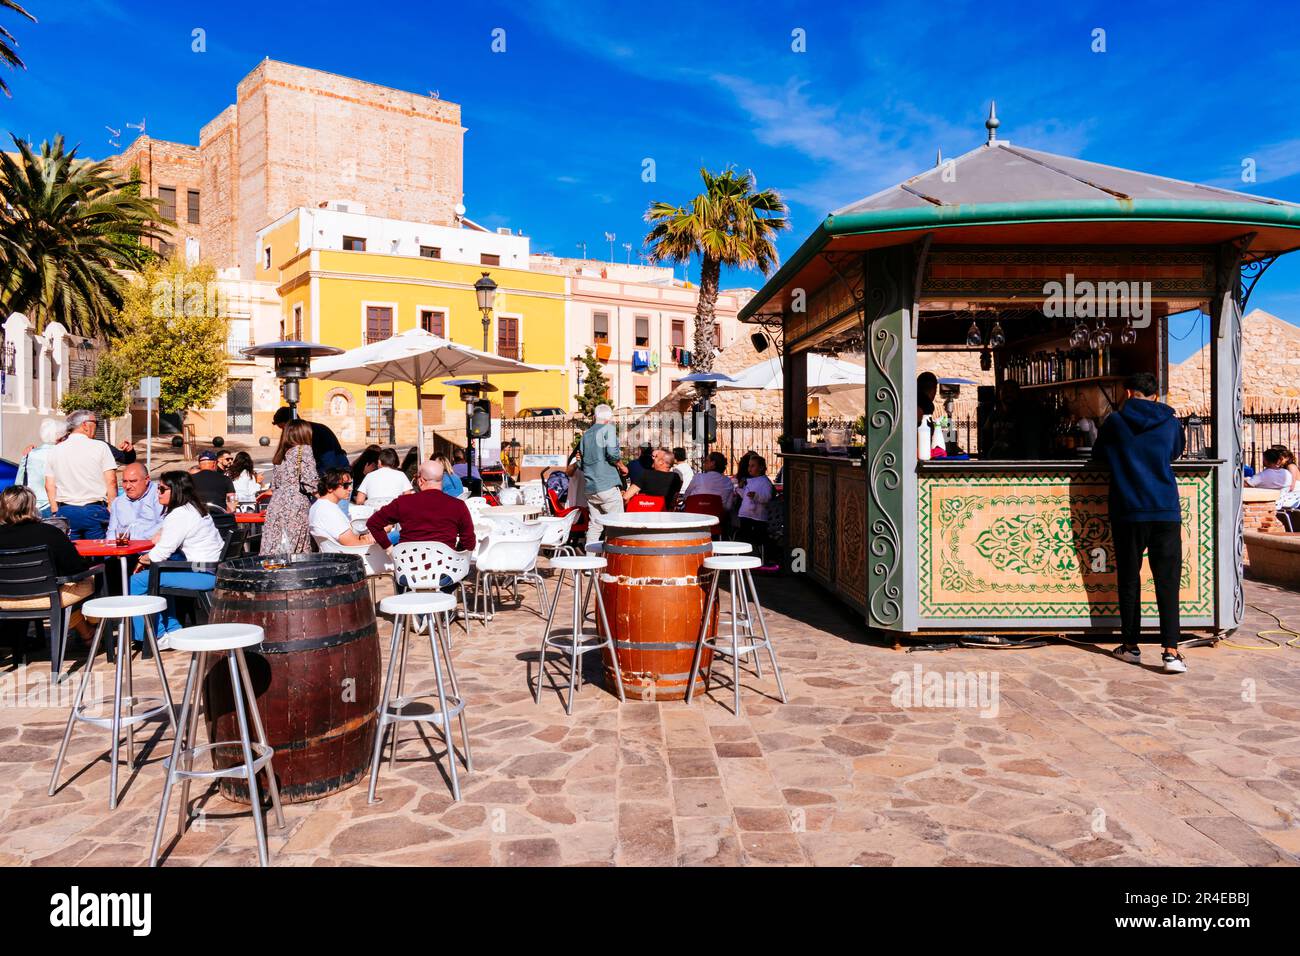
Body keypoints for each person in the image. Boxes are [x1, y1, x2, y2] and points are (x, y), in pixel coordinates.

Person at [1092, 372, 1188, 674]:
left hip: (1128, 509)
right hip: (1165, 509)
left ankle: (1131, 645)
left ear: (1128, 393)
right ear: (1156, 396)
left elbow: (1098, 456)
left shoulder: (1116, 423)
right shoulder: (1172, 423)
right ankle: (1171, 651)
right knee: (1168, 581)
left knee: (1130, 578)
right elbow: (1175, 452)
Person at [128, 471, 225, 642]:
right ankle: (171, 629)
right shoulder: (196, 508)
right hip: (214, 570)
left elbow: (160, 553)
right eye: (158, 488)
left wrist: (141, 560)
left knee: (138, 581)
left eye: (162, 489)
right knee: (161, 573)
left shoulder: (179, 514)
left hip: (203, 574)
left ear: (176, 490)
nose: (158, 492)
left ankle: (152, 636)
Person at [0, 486, 96, 642]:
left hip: (5, 601)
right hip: (47, 597)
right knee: (93, 578)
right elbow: (77, 568)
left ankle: (87, 633)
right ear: (31, 506)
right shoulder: (49, 532)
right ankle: (94, 628)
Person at [365, 459, 476, 553]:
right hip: (445, 571)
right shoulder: (458, 506)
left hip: (408, 571)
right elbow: (469, 543)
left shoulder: (403, 502)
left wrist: (389, 548)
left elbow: (373, 523)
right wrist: (456, 551)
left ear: (421, 480)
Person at [45, 409, 117, 540]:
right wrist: (111, 507)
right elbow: (111, 481)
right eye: (95, 423)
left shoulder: (55, 450)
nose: (96, 427)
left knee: (71, 555)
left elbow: (49, 485)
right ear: (85, 425)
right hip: (95, 509)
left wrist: (55, 510)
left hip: (66, 510)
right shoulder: (100, 447)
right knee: (98, 553)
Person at [261, 420, 316, 555]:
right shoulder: (304, 450)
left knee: (276, 544)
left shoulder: (281, 454)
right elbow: (310, 481)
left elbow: (275, 484)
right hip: (295, 503)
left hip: (276, 503)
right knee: (294, 547)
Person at [579, 404, 628, 544]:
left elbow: (581, 463)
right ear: (609, 419)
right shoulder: (609, 429)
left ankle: (590, 563)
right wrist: (622, 466)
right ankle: (616, 561)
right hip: (606, 485)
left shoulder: (586, 435)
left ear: (595, 417)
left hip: (590, 488)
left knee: (594, 526)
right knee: (618, 525)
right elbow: (612, 454)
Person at [309, 469, 381, 548]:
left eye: (350, 484)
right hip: (353, 554)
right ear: (330, 487)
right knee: (394, 537)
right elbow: (353, 544)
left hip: (335, 553)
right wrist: (379, 534)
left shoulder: (318, 505)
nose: (350, 488)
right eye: (346, 485)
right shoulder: (329, 511)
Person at [271, 407, 347, 477]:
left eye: (283, 428)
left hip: (336, 470)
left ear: (291, 424)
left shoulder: (317, 432)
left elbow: (329, 463)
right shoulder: (307, 432)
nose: (284, 432)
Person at [15, 418, 63, 517]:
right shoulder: (61, 454)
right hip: (54, 504)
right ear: (59, 437)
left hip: (31, 505)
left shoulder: (29, 454)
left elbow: (19, 482)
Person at [736, 454, 777, 569]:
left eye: (753, 466)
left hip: (758, 516)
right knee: (745, 537)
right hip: (745, 514)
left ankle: (764, 559)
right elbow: (745, 495)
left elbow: (767, 497)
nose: (749, 468)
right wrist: (740, 488)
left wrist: (756, 496)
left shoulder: (765, 482)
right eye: (749, 466)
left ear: (761, 467)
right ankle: (744, 558)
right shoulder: (749, 481)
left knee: (760, 538)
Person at [106, 463, 165, 541]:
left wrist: (137, 540)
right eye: (124, 481)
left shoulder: (160, 495)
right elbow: (111, 533)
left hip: (152, 549)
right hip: (125, 550)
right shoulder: (118, 502)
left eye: (133, 481)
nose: (128, 486)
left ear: (146, 480)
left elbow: (164, 525)